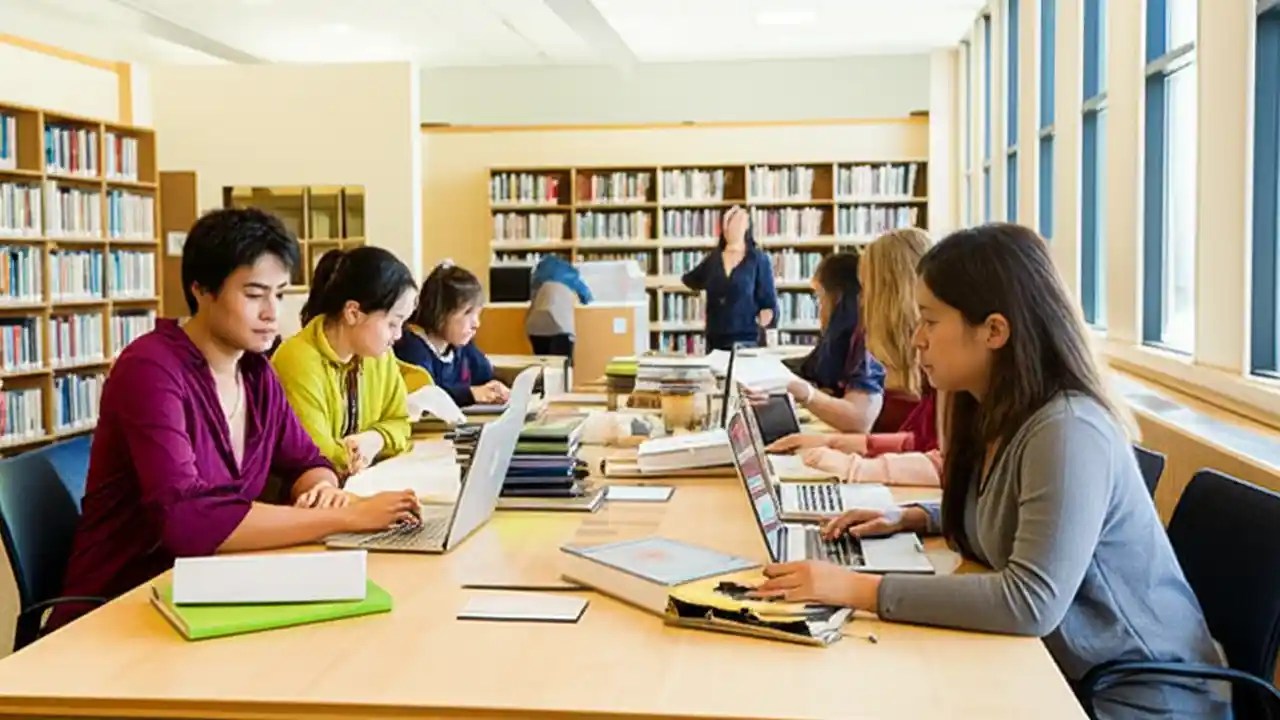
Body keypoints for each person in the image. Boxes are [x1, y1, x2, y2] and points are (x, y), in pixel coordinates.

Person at [753, 224, 1229, 719]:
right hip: (1061, 671)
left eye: (929, 321)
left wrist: (857, 588)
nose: (916, 340)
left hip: (1137, 698)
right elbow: (1017, 513)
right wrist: (918, 516)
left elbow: (1030, 601)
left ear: (995, 331)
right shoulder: (996, 411)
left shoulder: (1067, 429)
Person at [47, 209, 419, 633]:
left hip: (216, 593)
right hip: (123, 609)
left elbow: (306, 459)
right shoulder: (150, 369)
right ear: (202, 289)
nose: (270, 313)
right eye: (254, 294)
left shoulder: (257, 371)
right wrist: (347, 517)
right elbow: (187, 522)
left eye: (279, 295)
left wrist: (321, 489)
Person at [768, 228, 942, 486]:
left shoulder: (944, 364)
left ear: (890, 293)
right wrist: (834, 443)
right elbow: (918, 441)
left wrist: (855, 466)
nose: (861, 301)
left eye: (867, 288)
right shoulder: (920, 362)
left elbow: (946, 463)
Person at [272, 247, 417, 478]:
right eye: (392, 323)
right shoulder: (297, 359)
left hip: (361, 485)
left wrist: (376, 439)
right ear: (353, 313)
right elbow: (317, 454)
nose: (398, 335)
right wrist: (360, 453)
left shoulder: (379, 355)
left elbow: (400, 422)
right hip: (308, 497)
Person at [746, 252, 883, 432]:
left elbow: (859, 419)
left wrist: (805, 393)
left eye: (819, 296)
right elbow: (809, 368)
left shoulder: (866, 341)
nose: (819, 309)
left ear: (838, 297)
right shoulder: (839, 337)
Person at [395, 263, 509, 407]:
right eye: (467, 313)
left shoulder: (459, 344)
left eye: (477, 314)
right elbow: (425, 396)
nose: (476, 324)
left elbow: (485, 375)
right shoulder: (412, 348)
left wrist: (496, 387)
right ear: (440, 312)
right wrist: (471, 394)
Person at [680, 206, 777, 351]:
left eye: (739, 223)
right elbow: (689, 281)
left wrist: (767, 315)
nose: (733, 228)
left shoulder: (758, 260)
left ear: (746, 227)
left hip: (747, 340)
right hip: (715, 340)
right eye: (730, 223)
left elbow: (769, 302)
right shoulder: (713, 259)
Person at [525, 255, 592, 358]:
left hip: (535, 327)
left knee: (542, 365)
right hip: (560, 327)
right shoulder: (571, 274)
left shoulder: (538, 275)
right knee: (563, 367)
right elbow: (587, 297)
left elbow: (532, 299)